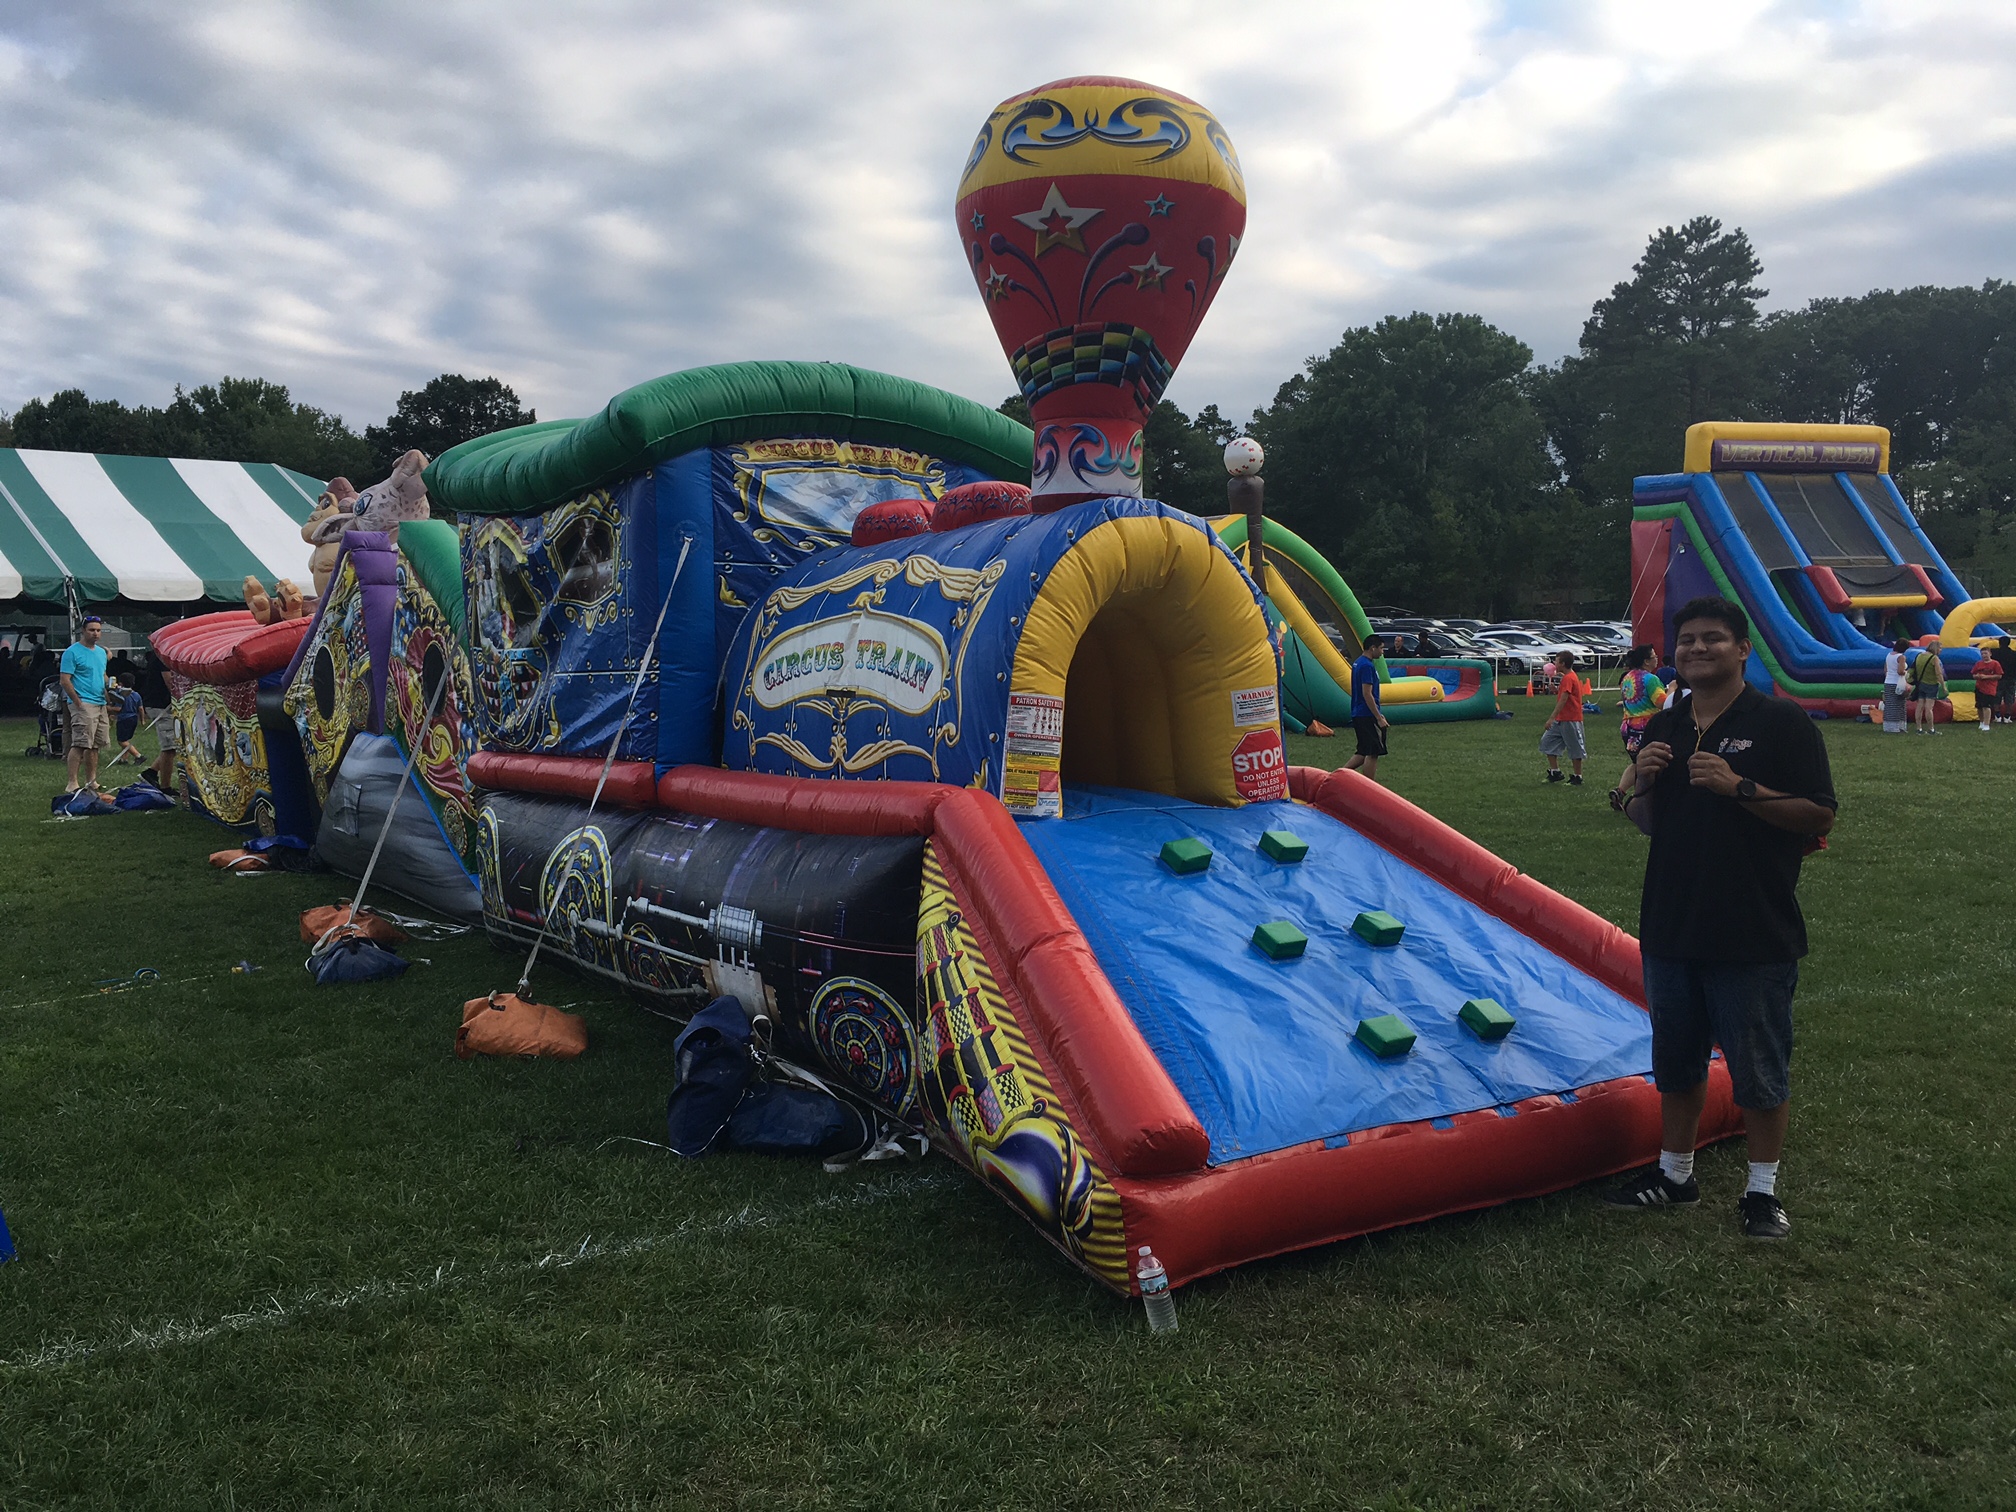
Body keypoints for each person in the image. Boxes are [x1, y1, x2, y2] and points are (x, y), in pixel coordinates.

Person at [1606, 596, 1836, 1240]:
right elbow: (1650, 825)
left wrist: (1740, 787)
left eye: (1713, 639)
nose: (1697, 649)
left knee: (1759, 1068)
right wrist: (1638, 786)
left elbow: (1820, 815)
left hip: (1752, 926)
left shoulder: (1781, 724)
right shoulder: (1663, 725)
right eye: (1687, 641)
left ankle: (1761, 1191)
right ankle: (1674, 1173)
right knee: (1675, 1060)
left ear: (1742, 650)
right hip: (1671, 923)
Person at [60, 616, 111, 794]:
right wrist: (77, 701)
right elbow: (65, 680)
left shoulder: (100, 652)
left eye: (98, 630)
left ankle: (91, 780)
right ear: (83, 631)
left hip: (100, 702)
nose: (96, 633)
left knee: (95, 745)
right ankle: (72, 782)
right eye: (91, 630)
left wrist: (111, 688)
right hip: (83, 703)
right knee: (81, 743)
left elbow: (102, 675)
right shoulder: (72, 652)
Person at [1539, 650, 1588, 785]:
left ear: (1563, 663)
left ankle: (1578, 776)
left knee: (1574, 747)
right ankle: (1555, 772)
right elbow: (1565, 695)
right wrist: (1555, 690)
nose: (1554, 663)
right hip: (1561, 719)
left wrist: (1551, 718)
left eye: (1556, 660)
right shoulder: (1566, 678)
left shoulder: (1569, 678)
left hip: (1570, 719)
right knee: (1547, 742)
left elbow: (1564, 700)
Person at [1345, 634, 1388, 781]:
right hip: (1366, 714)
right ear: (1373, 648)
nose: (1382, 652)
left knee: (1362, 751)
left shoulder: (1358, 663)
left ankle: (1336, 776)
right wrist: (1378, 717)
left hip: (1359, 712)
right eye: (1381, 648)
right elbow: (1367, 693)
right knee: (1373, 751)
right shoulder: (1366, 666)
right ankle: (1370, 786)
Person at [138, 652, 179, 792]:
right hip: (160, 705)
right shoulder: (164, 656)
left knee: (174, 746)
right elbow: (170, 682)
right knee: (169, 747)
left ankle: (151, 772)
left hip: (162, 704)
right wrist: (180, 698)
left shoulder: (164, 654)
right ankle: (165, 786)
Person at [1909, 636, 1946, 733]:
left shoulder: (1919, 656)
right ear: (1936, 648)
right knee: (1929, 708)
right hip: (1931, 685)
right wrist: (1943, 686)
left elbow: (1912, 670)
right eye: (1940, 648)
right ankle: (1931, 729)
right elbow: (1938, 673)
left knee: (1919, 706)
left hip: (1920, 684)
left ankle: (1919, 728)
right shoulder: (1934, 658)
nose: (1941, 650)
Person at [1880, 637, 1911, 734]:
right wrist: (1907, 673)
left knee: (1890, 704)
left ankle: (1889, 726)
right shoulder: (1901, 657)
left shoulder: (1889, 655)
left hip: (1888, 681)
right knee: (1899, 705)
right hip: (1897, 682)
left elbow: (1886, 669)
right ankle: (1899, 726)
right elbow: (1900, 671)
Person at [111, 678, 145, 765]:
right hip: (133, 718)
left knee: (122, 741)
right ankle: (124, 759)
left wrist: (106, 708)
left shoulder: (121, 694)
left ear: (121, 684)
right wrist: (142, 720)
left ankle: (138, 756)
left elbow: (118, 708)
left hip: (123, 719)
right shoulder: (137, 695)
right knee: (126, 739)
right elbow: (140, 708)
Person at [1970, 646, 2002, 733]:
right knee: (1979, 706)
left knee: (1986, 706)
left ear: (1990, 654)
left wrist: (1986, 677)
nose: (1984, 655)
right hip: (1979, 687)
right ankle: (1981, 722)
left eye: (1986, 653)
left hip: (1990, 688)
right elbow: (1973, 674)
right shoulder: (1978, 664)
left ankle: (1987, 724)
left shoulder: (1995, 664)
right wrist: (1977, 676)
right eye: (1982, 654)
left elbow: (1999, 675)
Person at [1995, 636, 2016, 725]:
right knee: (2010, 698)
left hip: (1998, 678)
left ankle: (1998, 715)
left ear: (1999, 643)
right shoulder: (2014, 654)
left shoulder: (1995, 653)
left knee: (1997, 697)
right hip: (2011, 678)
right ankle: (2007, 716)